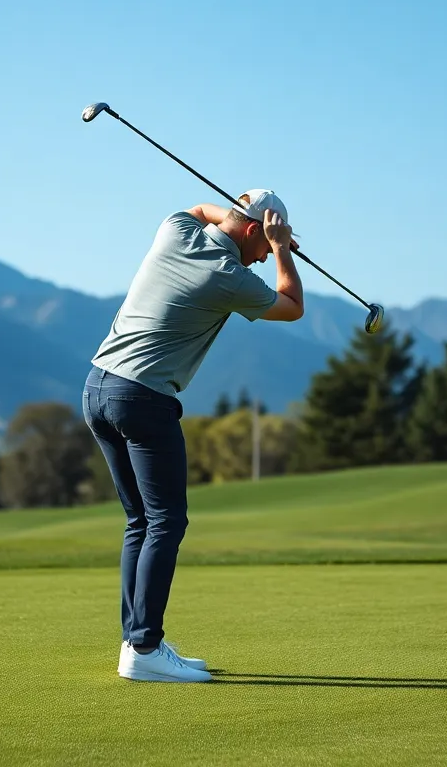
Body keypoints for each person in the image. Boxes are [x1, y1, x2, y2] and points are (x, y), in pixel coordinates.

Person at [81, 190, 304, 683]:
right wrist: (285, 247)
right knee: (166, 521)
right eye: (263, 244)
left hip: (98, 387)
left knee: (140, 520)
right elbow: (292, 307)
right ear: (253, 230)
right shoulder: (227, 277)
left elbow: (201, 211)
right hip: (142, 398)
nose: (266, 256)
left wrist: (258, 225)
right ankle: (144, 649)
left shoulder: (173, 232)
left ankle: (137, 642)